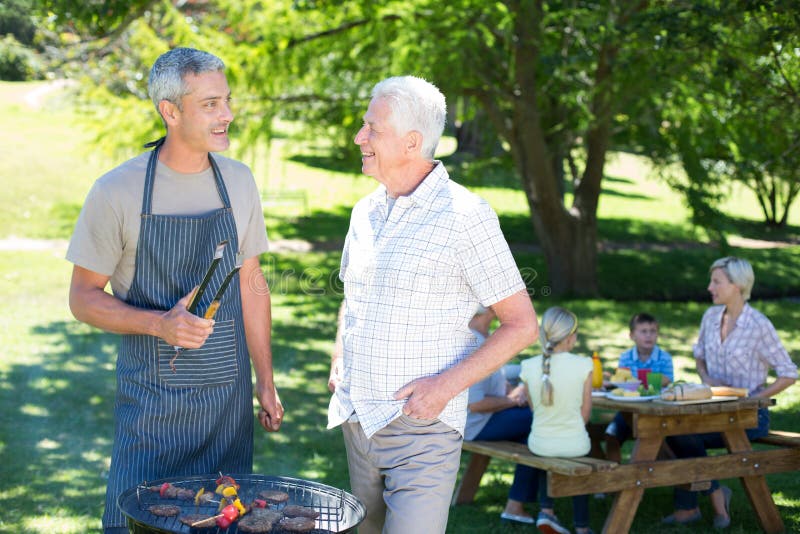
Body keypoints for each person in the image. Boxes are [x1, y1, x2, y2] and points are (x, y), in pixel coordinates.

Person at [66, 47, 283, 533]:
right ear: (170, 110)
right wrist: (158, 324)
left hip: (227, 406)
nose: (227, 115)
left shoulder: (239, 182)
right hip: (151, 408)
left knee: (221, 523)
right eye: (210, 104)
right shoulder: (116, 191)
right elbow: (82, 297)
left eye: (226, 101)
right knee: (136, 522)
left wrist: (265, 381)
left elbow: (252, 285)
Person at [326, 75, 538, 534]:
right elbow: (353, 296)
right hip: (357, 421)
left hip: (423, 432)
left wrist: (444, 387)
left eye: (371, 129)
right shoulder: (364, 212)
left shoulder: (466, 216)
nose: (359, 137)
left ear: (411, 142)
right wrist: (340, 353)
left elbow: (521, 325)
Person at [662, 256, 797, 529]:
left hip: (749, 419)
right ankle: (713, 493)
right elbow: (698, 355)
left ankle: (691, 507)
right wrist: (707, 377)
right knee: (671, 430)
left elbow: (790, 373)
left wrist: (755, 399)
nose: (710, 287)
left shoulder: (758, 325)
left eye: (716, 281)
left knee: (681, 434)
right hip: (711, 413)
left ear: (737, 285)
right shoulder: (711, 316)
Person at [520, 307, 593, 534]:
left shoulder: (528, 366)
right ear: (571, 337)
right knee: (579, 463)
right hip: (575, 444)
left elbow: (533, 409)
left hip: (539, 443)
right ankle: (582, 527)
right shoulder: (584, 365)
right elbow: (586, 413)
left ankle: (547, 511)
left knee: (546, 453)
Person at [464, 306, 537, 524]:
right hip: (475, 424)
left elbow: (495, 377)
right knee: (540, 421)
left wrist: (515, 388)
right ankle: (532, 502)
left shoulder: (483, 338)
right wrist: (512, 400)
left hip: (483, 420)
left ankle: (519, 505)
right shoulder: (472, 343)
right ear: (487, 308)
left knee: (533, 432)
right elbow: (475, 404)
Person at [604, 312, 674, 462]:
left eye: (653, 331)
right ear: (632, 335)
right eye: (643, 331)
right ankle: (614, 477)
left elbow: (668, 380)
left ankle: (662, 473)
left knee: (653, 439)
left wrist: (638, 381)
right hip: (628, 410)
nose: (648, 336)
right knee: (611, 436)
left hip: (655, 411)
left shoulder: (664, 357)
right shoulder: (625, 357)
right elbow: (622, 379)